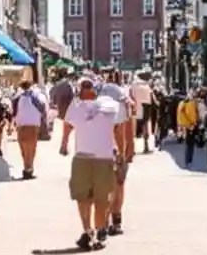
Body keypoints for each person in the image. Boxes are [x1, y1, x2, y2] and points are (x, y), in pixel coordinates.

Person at [60, 78, 124, 251]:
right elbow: (67, 125)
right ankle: (88, 230)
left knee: (102, 199)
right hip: (82, 156)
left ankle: (98, 229)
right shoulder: (75, 106)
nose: (86, 90)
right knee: (82, 198)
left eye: (89, 86)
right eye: (84, 86)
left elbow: (118, 128)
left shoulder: (110, 105)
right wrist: (64, 143)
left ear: (96, 88)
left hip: (104, 157)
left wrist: (121, 151)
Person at [97, 70, 134, 236]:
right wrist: (128, 151)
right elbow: (125, 131)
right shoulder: (121, 107)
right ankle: (116, 221)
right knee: (119, 185)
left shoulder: (96, 107)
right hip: (118, 152)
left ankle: (103, 222)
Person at [13, 80, 48, 179]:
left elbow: (13, 112)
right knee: (31, 149)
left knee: (23, 149)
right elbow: (43, 108)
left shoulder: (18, 97)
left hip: (20, 125)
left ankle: (26, 168)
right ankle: (29, 169)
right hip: (33, 124)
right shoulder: (36, 96)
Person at [129, 73, 155, 154]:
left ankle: (132, 149)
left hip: (137, 106)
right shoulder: (146, 85)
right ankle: (146, 146)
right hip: (146, 105)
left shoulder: (133, 85)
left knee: (133, 127)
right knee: (145, 125)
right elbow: (152, 96)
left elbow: (132, 96)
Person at [177, 89, 202, 168]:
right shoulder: (191, 104)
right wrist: (193, 123)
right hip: (190, 125)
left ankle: (188, 160)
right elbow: (193, 115)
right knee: (190, 144)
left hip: (186, 125)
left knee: (189, 144)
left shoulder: (183, 103)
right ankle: (188, 160)